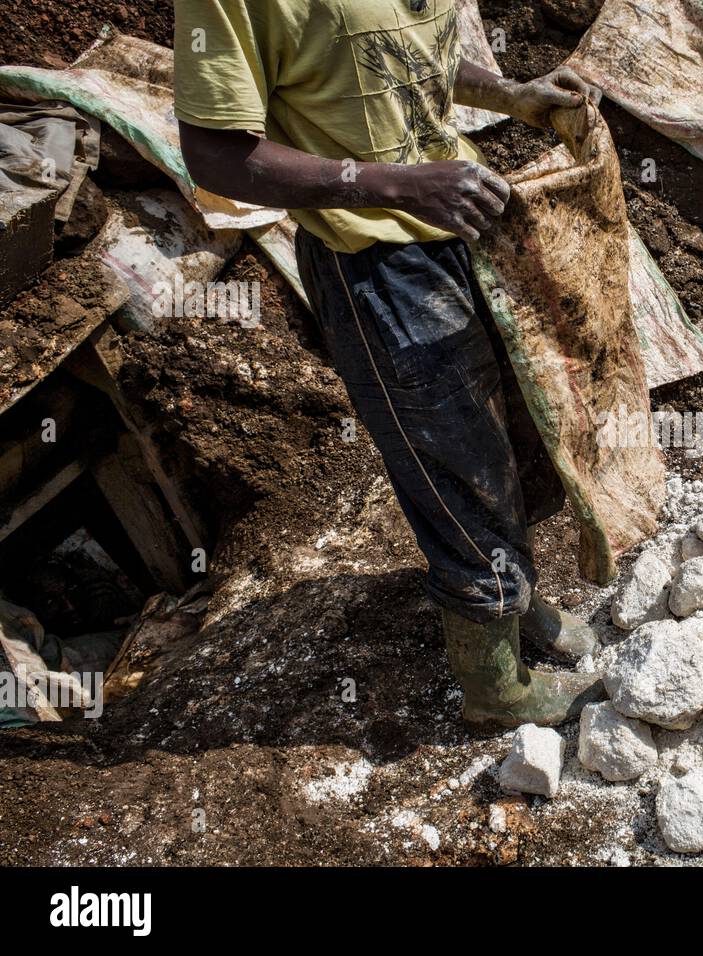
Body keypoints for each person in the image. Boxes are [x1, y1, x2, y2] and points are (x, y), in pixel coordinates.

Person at [172, 1, 608, 729]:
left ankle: (517, 603)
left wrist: (512, 95)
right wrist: (398, 185)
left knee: (520, 438)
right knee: (455, 460)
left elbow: (406, 56)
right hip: (374, 259)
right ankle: (492, 684)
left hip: (462, 221)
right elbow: (216, 153)